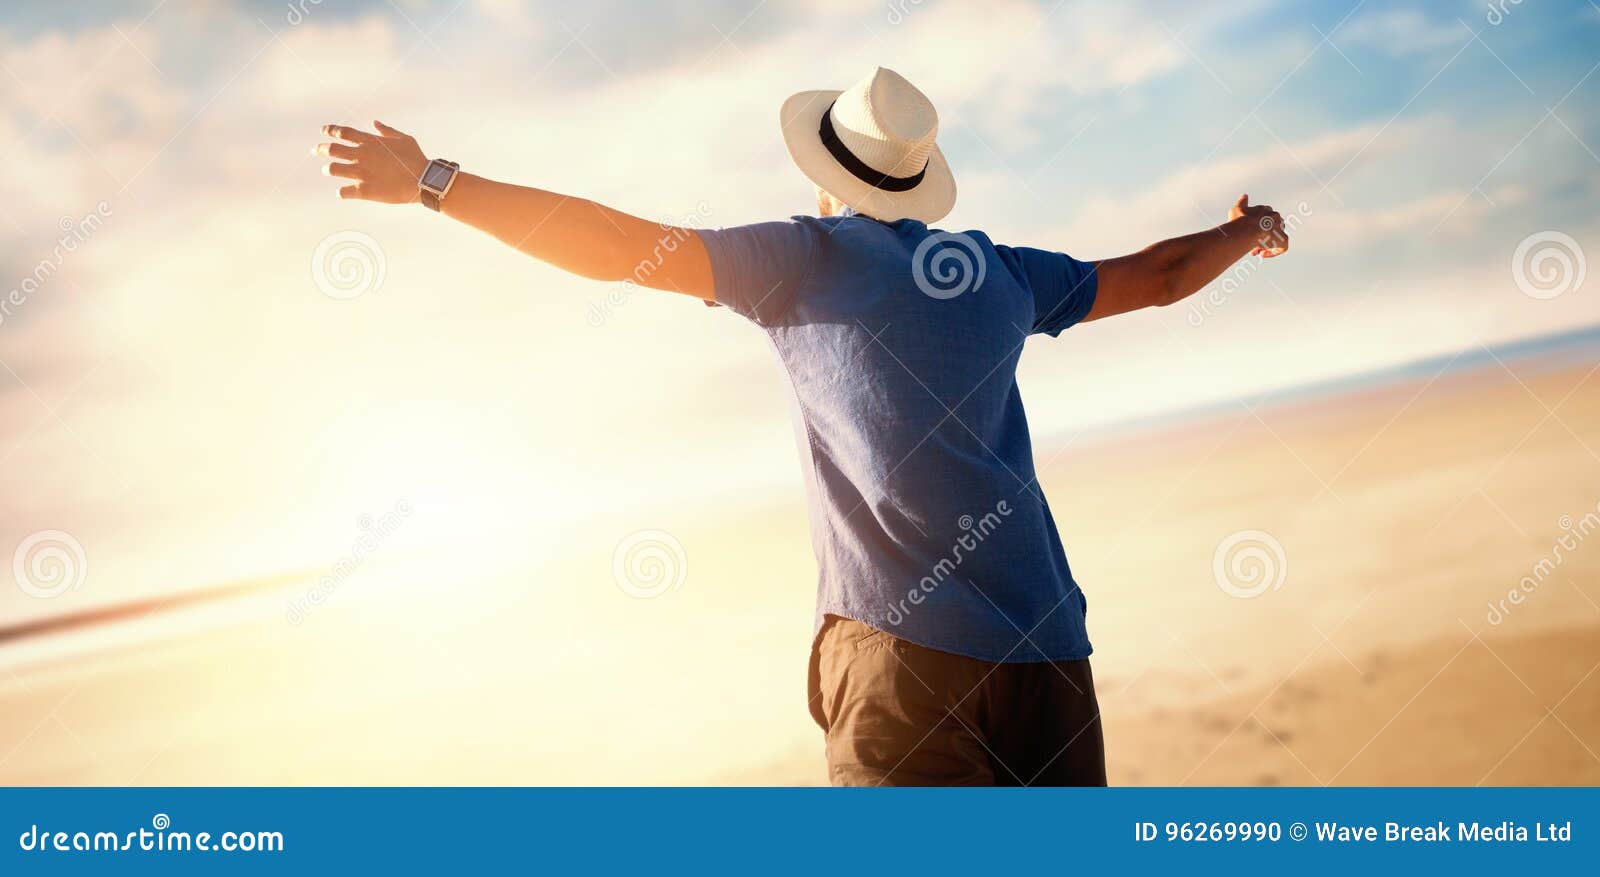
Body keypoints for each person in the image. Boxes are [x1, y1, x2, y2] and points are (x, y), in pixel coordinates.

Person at [313, 66, 1289, 787]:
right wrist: (1246, 230)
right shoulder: (994, 271)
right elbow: (1159, 277)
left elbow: (617, 247)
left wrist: (437, 181)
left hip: (904, 662)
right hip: (1048, 652)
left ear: (828, 176)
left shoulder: (803, 256)